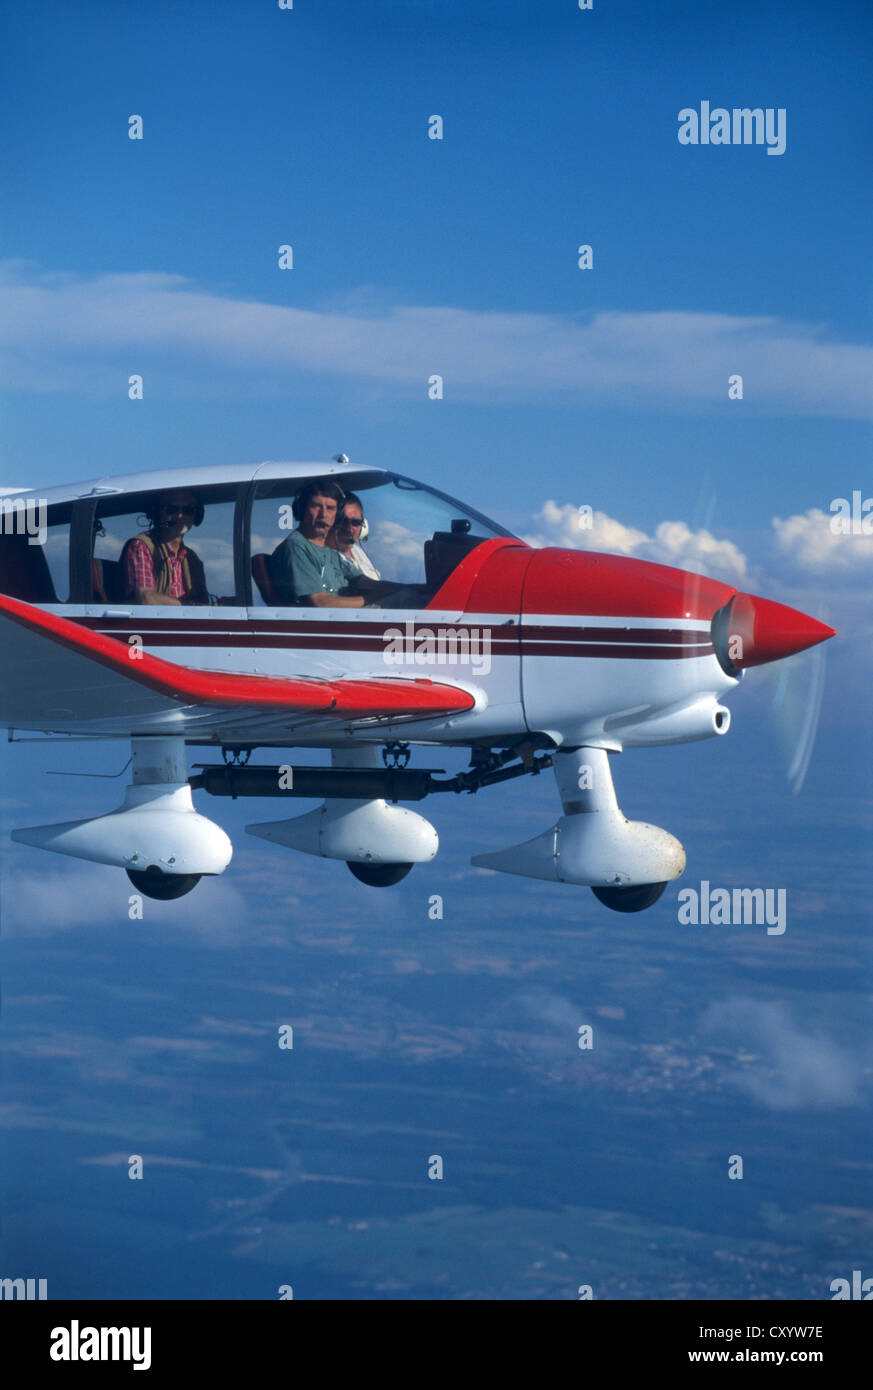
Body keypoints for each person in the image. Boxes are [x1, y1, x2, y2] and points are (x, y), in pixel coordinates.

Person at [269, 479, 366, 608]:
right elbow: (319, 602)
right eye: (315, 506)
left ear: (337, 516)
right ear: (301, 509)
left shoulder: (330, 552)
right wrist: (369, 599)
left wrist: (398, 591)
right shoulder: (296, 547)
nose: (323, 514)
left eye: (330, 508)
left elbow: (363, 582)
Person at [122, 490, 208, 605]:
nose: (180, 516)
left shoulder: (192, 558)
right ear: (158, 513)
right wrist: (188, 606)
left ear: (196, 516)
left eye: (188, 510)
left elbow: (203, 602)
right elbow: (146, 598)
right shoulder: (142, 546)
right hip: (152, 622)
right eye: (172, 509)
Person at [326, 492, 381, 579]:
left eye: (355, 522)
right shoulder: (321, 557)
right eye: (342, 521)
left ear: (363, 526)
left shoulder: (358, 552)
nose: (349, 528)